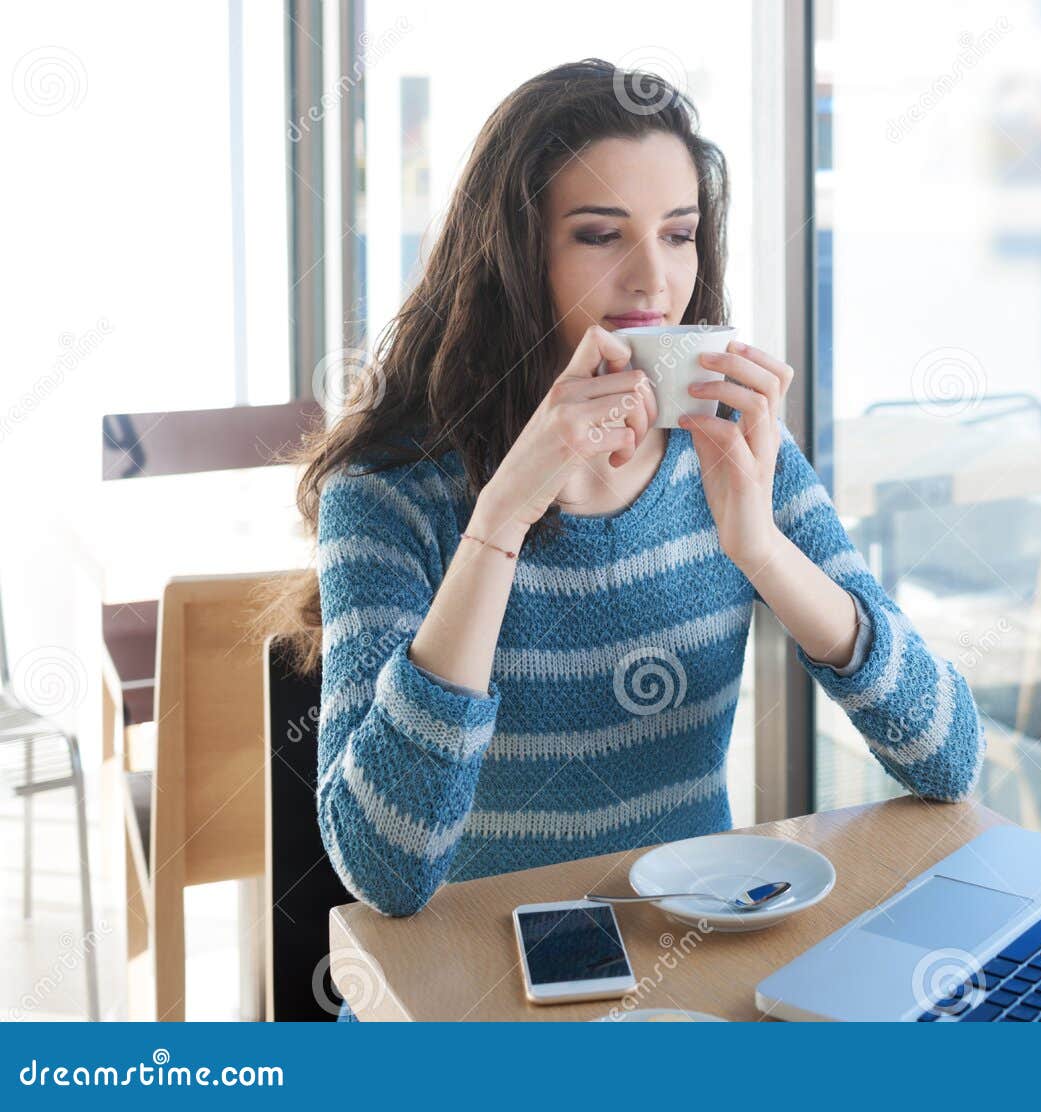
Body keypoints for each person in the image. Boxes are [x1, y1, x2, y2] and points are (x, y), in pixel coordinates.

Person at [263, 59, 986, 1022]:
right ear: (514, 256)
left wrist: (762, 545)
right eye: (601, 236)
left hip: (685, 983)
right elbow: (385, 869)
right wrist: (500, 522)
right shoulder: (391, 493)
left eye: (680, 235)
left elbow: (946, 756)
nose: (655, 280)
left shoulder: (731, 447)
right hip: (466, 1005)